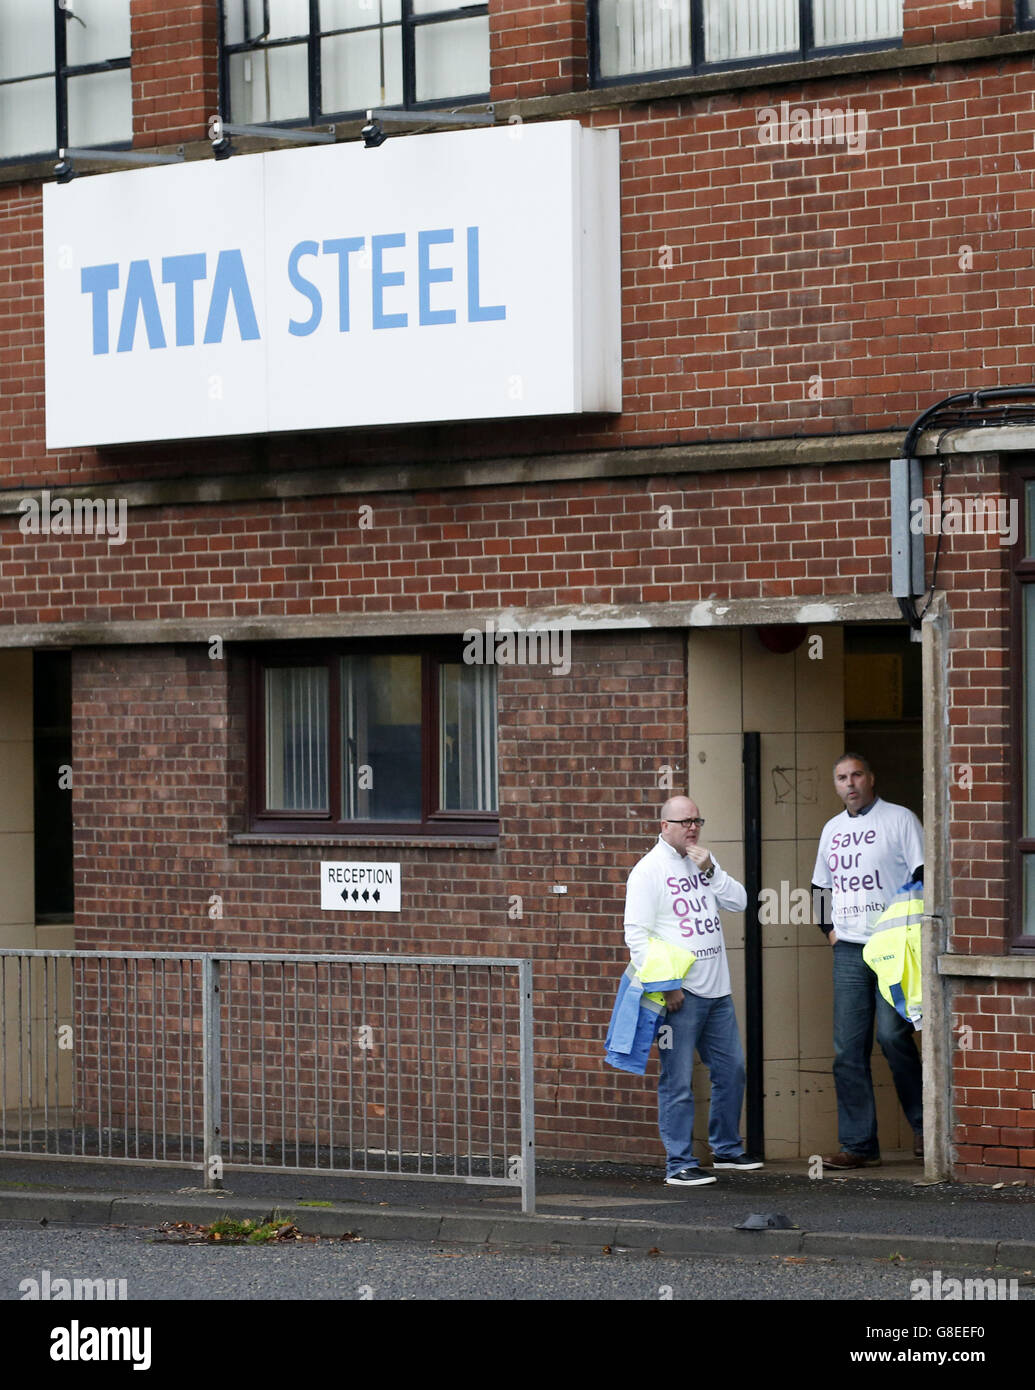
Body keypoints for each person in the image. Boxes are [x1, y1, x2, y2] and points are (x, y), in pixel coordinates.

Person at [623, 795, 762, 1186]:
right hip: (680, 994)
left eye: (697, 820)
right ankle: (678, 1163)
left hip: (717, 989)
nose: (692, 827)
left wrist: (711, 870)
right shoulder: (648, 872)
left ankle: (727, 1149)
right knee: (678, 1080)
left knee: (732, 1070)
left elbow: (740, 901)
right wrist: (666, 986)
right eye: (684, 821)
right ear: (663, 826)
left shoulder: (702, 861)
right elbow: (637, 935)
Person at [811, 753, 925, 1168]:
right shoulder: (832, 830)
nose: (850, 783)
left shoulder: (900, 819)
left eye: (856, 774)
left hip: (893, 946)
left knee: (894, 1037)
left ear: (871, 778)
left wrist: (911, 929)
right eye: (842, 777)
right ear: (836, 785)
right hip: (850, 950)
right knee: (847, 1049)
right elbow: (819, 885)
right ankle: (859, 1145)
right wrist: (828, 930)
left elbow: (924, 875)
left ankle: (925, 1126)